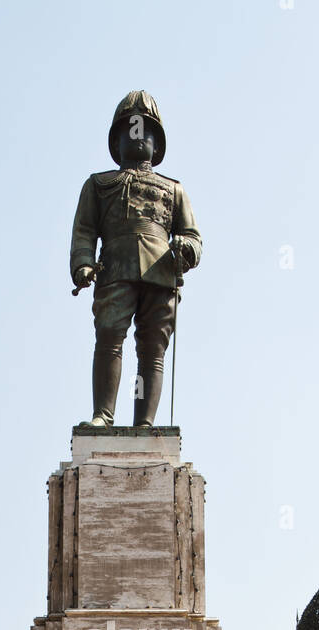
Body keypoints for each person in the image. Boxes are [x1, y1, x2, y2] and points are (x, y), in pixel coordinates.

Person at [70, 90, 202, 428]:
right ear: (117, 141)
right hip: (115, 268)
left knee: (152, 350)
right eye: (131, 129)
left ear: (157, 145)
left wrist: (185, 248)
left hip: (161, 274)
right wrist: (83, 264)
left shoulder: (174, 190)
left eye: (144, 130)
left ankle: (144, 422)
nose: (137, 135)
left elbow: (193, 237)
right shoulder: (99, 186)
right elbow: (84, 232)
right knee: (110, 336)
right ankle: (103, 415)